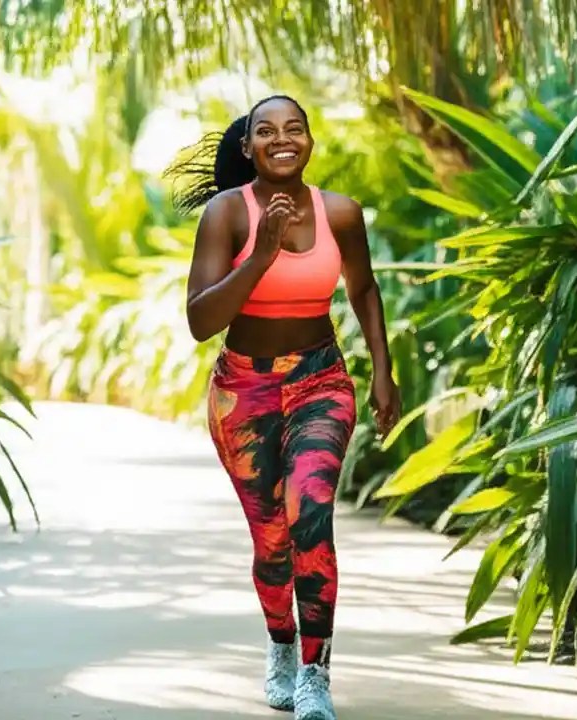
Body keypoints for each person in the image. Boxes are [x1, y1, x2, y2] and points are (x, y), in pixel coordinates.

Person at [164, 95, 400, 720]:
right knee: (271, 540)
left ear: (310, 141)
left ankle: (316, 675)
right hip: (243, 392)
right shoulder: (226, 214)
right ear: (248, 148)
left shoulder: (340, 213)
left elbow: (364, 288)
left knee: (310, 516)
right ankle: (282, 647)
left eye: (295, 128)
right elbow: (201, 321)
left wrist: (383, 371)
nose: (283, 139)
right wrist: (262, 255)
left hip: (320, 381)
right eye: (266, 131)